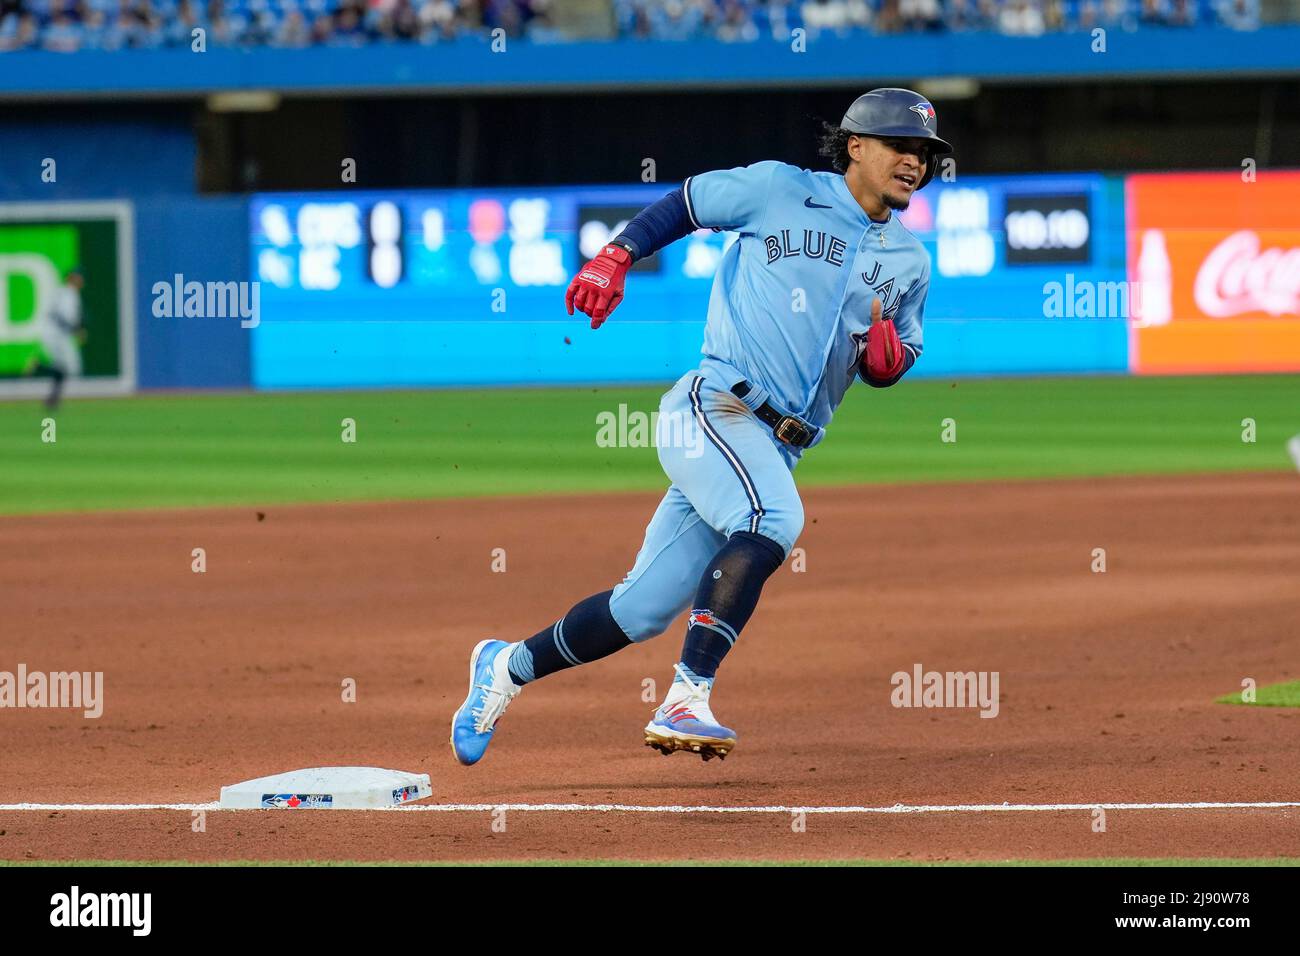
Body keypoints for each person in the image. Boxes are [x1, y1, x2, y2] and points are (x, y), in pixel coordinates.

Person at [451, 88, 951, 764]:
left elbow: (898, 353)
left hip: (777, 443)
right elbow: (685, 202)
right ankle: (687, 695)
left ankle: (503, 668)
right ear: (856, 146)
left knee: (640, 611)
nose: (914, 162)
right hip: (715, 407)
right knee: (772, 521)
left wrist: (890, 365)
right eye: (901, 145)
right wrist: (618, 254)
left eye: (924, 152)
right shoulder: (778, 189)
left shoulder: (910, 261)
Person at [26, 270, 86, 411]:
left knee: (62, 368)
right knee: (73, 368)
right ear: (72, 279)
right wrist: (77, 331)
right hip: (57, 336)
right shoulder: (69, 294)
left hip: (53, 334)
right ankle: (38, 365)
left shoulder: (63, 292)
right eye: (79, 278)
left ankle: (52, 400)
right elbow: (64, 317)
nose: (81, 281)